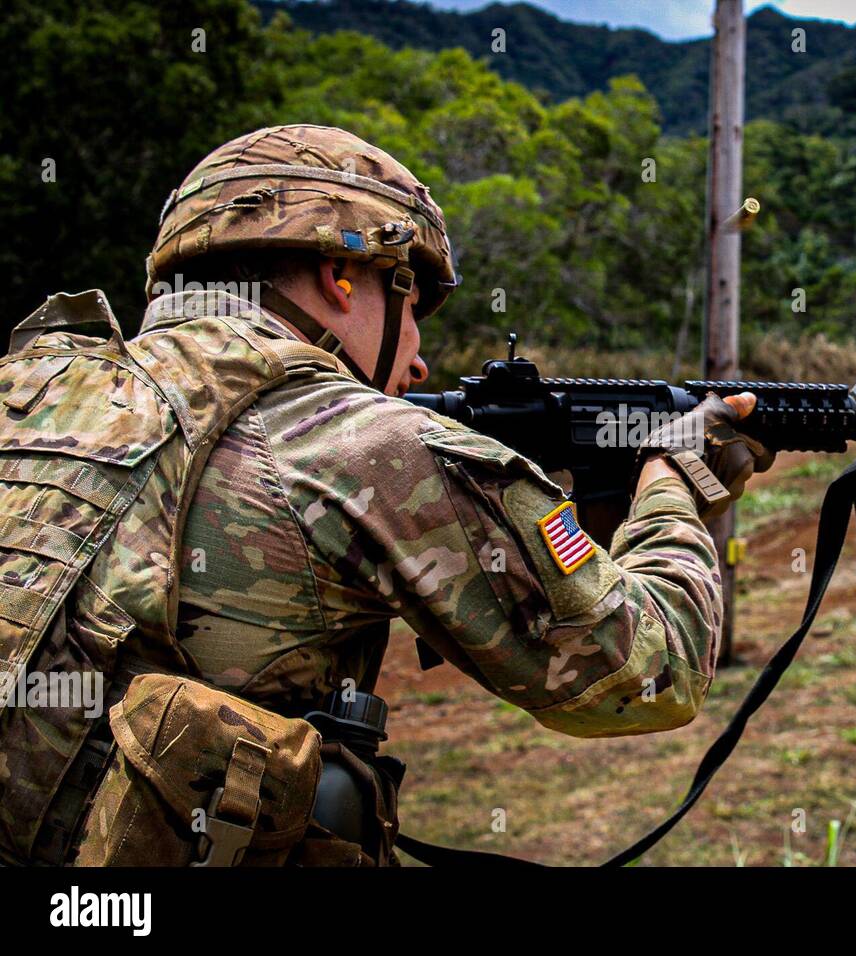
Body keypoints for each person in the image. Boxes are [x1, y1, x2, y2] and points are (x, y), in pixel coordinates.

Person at [0, 126, 772, 867]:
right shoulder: (360, 445)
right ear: (343, 277)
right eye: (414, 302)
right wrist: (675, 479)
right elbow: (647, 670)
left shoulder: (26, 396)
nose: (420, 360)